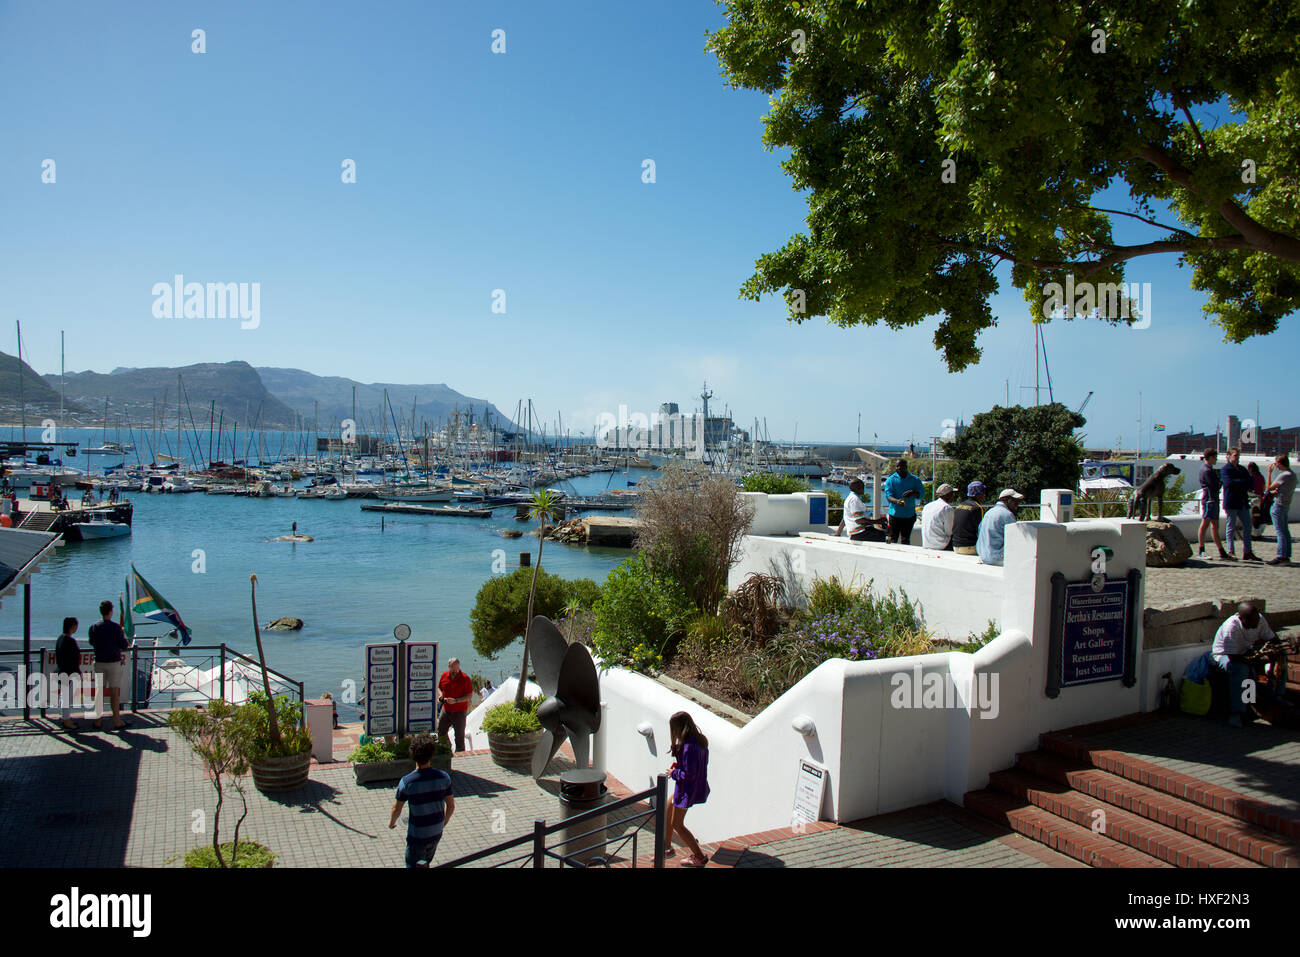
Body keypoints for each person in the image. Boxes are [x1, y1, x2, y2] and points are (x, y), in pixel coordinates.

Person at [388, 732, 455, 867]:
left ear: (413, 755)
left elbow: (397, 808)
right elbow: (451, 806)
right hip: (436, 832)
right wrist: (443, 823)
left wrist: (392, 823)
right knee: (426, 862)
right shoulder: (443, 777)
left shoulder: (407, 782)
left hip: (417, 836)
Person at [1211, 602, 1276, 727]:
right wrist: (1254, 660)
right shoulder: (1232, 627)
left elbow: (1271, 638)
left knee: (1278, 656)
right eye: (1251, 621)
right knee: (1241, 669)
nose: (1256, 623)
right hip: (1224, 655)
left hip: (1246, 651)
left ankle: (1268, 698)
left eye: (1257, 619)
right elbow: (1233, 657)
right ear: (1241, 618)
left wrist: (1277, 649)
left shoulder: (1259, 619)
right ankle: (1237, 713)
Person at [666, 711, 710, 867]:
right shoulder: (700, 741)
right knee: (668, 806)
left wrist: (674, 773)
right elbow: (697, 767)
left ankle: (699, 856)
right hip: (695, 788)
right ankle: (666, 847)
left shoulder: (688, 747)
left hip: (686, 791)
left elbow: (689, 774)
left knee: (678, 824)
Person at [87, 599, 130, 730]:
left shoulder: (94, 627)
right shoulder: (116, 627)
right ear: (111, 611)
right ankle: (117, 720)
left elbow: (91, 642)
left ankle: (98, 720)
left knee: (99, 692)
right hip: (113, 663)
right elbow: (123, 645)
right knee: (114, 693)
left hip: (99, 662)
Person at [1220, 448, 1260, 561]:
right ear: (1228, 456)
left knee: (1248, 526)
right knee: (1231, 527)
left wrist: (1240, 482)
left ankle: (1247, 551)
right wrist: (1242, 482)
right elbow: (1229, 484)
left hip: (1242, 501)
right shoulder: (1225, 469)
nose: (1237, 458)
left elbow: (1250, 482)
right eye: (1235, 455)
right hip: (1231, 502)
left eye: (1238, 456)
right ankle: (1230, 550)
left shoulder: (1242, 469)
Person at [976, 489, 1023, 566]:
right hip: (997, 558)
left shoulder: (989, 512)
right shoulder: (1007, 515)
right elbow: (1014, 539)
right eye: (1015, 501)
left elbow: (979, 531)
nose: (1017, 504)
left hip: (984, 556)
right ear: (1006, 500)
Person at [883, 459, 925, 545]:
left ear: (906, 467)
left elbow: (921, 494)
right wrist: (897, 501)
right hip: (894, 516)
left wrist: (913, 492)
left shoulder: (915, 479)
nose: (898, 468)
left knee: (905, 539)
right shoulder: (891, 480)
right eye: (897, 466)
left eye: (901, 466)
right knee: (892, 539)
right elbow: (888, 496)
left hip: (909, 515)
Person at [436, 657, 474, 752]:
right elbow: (439, 688)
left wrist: (456, 700)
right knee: (441, 731)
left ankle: (460, 756)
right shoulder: (444, 675)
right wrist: (441, 697)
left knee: (459, 736)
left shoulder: (465, 678)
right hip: (446, 709)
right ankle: (447, 749)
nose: (455, 670)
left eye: (457, 668)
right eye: (453, 668)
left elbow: (469, 696)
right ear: (449, 666)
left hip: (459, 711)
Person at [1197, 448, 1229, 560]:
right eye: (1215, 457)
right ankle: (1201, 550)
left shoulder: (1206, 469)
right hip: (1209, 500)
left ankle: (1221, 551)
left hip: (1212, 500)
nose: (1216, 459)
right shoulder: (1207, 471)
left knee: (1214, 526)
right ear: (1210, 457)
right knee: (1206, 524)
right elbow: (1215, 485)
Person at [1267, 455, 1295, 566]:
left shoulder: (1284, 475)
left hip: (1278, 505)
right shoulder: (1292, 475)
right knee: (1285, 531)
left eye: (1276, 463)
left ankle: (1281, 556)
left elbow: (1269, 487)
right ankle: (1286, 555)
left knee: (1280, 532)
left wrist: (1269, 472)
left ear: (1280, 463)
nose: (1275, 465)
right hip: (1286, 505)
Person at [55, 616, 81, 731]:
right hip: (69, 672)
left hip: (61, 670)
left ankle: (64, 717)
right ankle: (66, 720)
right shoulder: (70, 641)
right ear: (72, 627)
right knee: (67, 697)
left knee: (63, 696)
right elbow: (75, 658)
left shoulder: (60, 638)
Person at [950, 482, 985, 555]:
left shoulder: (959, 506)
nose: (984, 495)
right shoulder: (977, 508)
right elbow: (981, 531)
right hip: (968, 548)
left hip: (955, 547)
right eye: (983, 493)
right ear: (978, 495)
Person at [920, 483, 957, 550]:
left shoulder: (927, 506)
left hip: (926, 543)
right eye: (952, 493)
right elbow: (949, 531)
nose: (953, 496)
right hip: (940, 545)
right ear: (948, 495)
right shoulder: (947, 508)